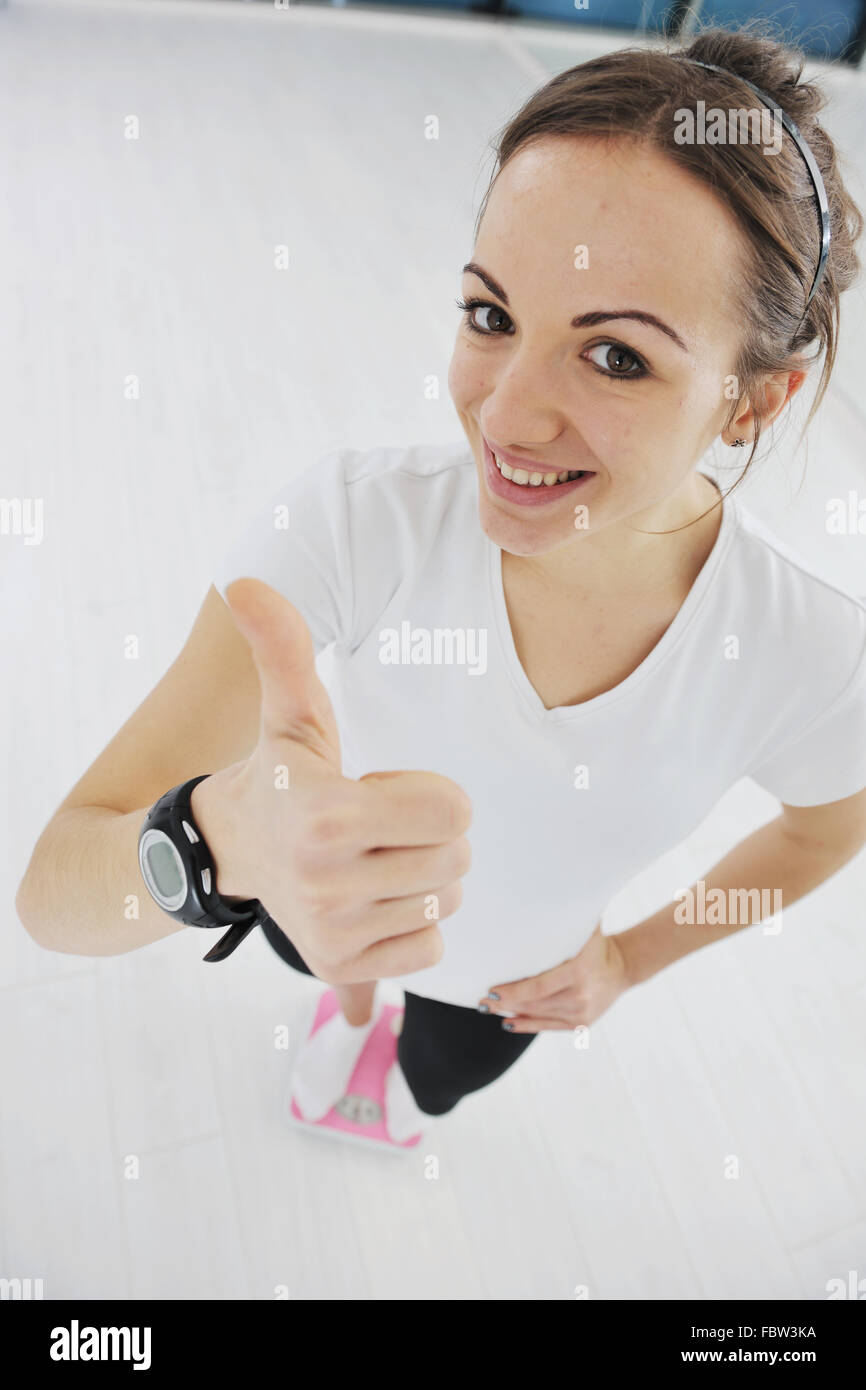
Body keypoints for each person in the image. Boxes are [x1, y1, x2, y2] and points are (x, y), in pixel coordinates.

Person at [16, 26, 866, 1148]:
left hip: (509, 986)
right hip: (298, 884)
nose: (505, 419)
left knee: (436, 1076)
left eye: (616, 356)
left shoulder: (799, 649)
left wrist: (626, 959)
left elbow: (822, 829)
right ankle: (351, 998)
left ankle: (393, 1041)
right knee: (340, 957)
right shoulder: (353, 524)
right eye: (491, 315)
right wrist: (224, 841)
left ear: (750, 401)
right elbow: (52, 892)